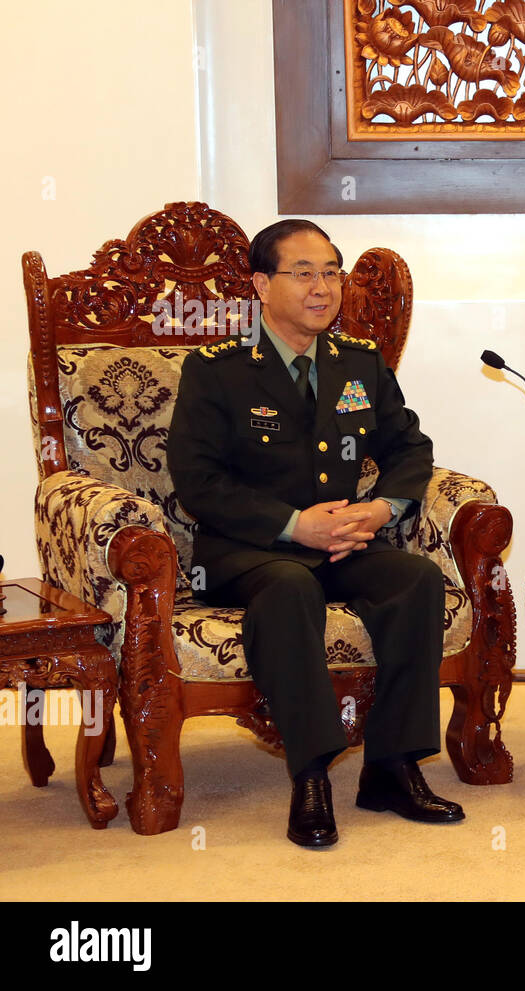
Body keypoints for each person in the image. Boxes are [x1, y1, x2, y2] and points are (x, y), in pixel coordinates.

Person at [169, 219, 463, 847]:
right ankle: (311, 774)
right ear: (260, 284)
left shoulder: (356, 362)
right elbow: (198, 482)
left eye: (331, 272)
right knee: (288, 588)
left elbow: (411, 447)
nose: (322, 287)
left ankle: (392, 765)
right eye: (303, 273)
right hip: (250, 549)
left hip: (342, 541)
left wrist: (381, 510)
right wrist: (292, 525)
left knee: (415, 578)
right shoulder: (218, 370)